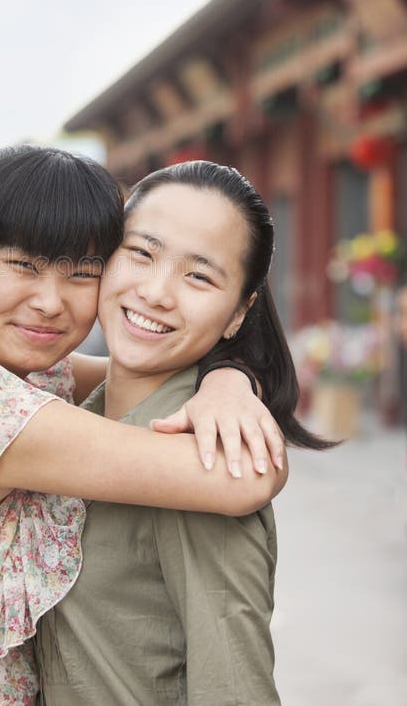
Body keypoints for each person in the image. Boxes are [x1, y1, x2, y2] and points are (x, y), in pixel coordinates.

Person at [0, 146, 286, 706]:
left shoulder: (1, 379)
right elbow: (243, 475)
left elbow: (129, 374)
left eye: (82, 274)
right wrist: (231, 383)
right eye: (23, 266)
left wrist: (228, 378)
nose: (49, 302)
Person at [37, 160, 332, 706]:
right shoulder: (77, 408)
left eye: (199, 276)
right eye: (141, 253)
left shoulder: (202, 462)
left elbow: (235, 689)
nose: (156, 292)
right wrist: (232, 375)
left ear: (238, 313)